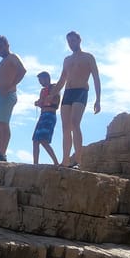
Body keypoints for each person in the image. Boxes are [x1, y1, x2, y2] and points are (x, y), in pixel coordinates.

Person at [52, 30, 101, 168]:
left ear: (79, 40)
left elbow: (96, 78)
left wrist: (98, 99)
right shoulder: (67, 60)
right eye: (68, 41)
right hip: (68, 92)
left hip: (81, 91)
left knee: (74, 123)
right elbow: (62, 79)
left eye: (73, 40)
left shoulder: (88, 57)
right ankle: (65, 160)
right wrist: (53, 93)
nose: (71, 43)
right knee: (65, 127)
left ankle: (78, 160)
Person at [0, 35, 27, 161]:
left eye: (1, 46)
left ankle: (2, 153)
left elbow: (22, 70)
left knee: (3, 123)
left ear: (7, 45)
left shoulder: (12, 57)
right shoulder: (1, 62)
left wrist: (11, 85)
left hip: (6, 94)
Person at [32, 71, 60, 165]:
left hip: (49, 115)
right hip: (43, 115)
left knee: (44, 140)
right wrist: (39, 103)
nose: (40, 82)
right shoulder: (43, 91)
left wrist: (42, 101)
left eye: (41, 80)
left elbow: (54, 100)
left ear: (46, 78)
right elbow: (42, 102)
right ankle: (35, 164)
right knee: (35, 140)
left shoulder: (54, 87)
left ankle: (56, 162)